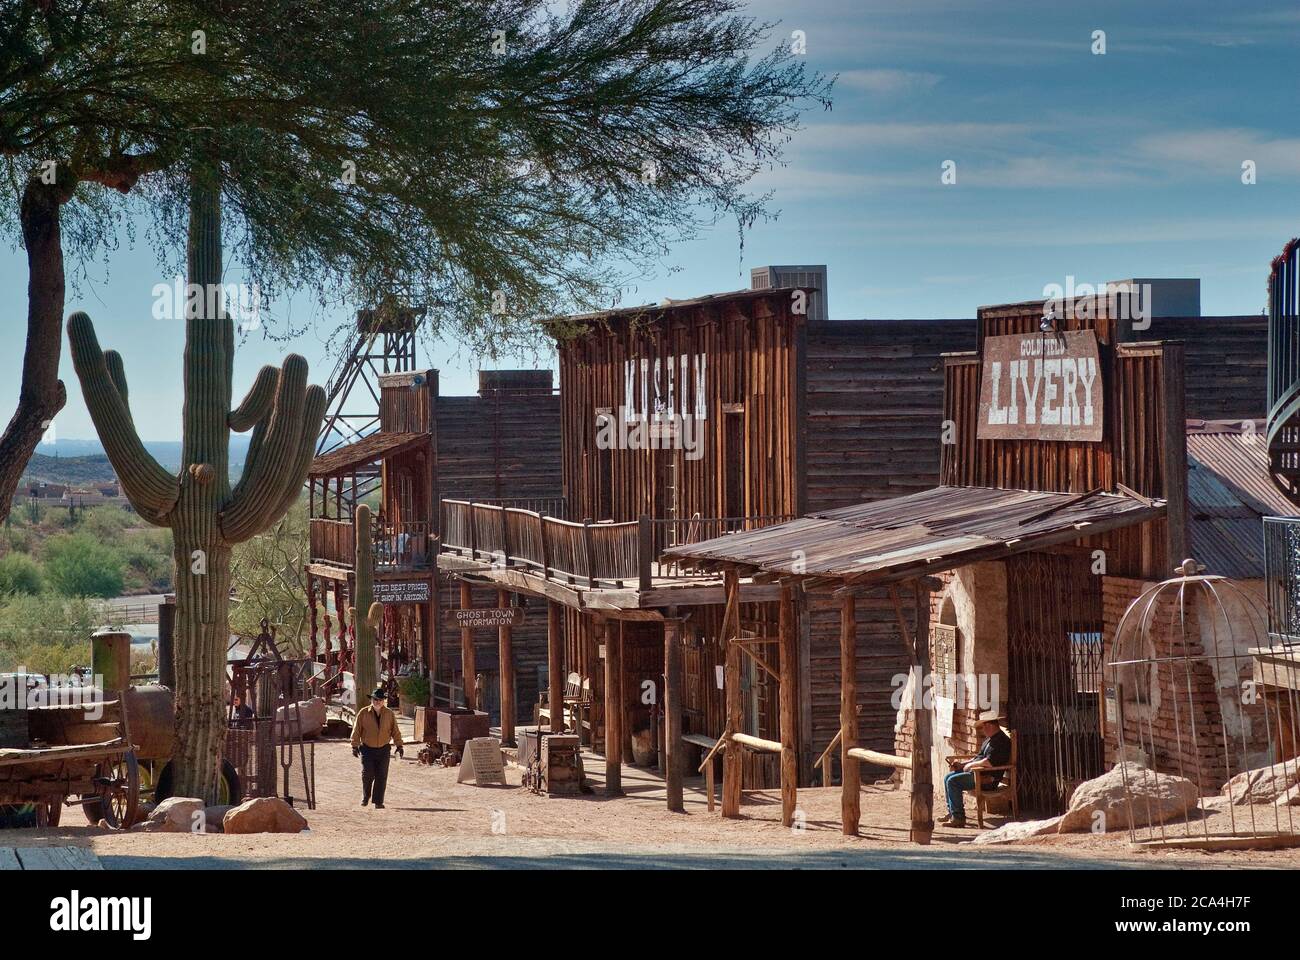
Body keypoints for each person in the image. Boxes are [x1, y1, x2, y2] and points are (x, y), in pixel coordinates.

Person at [939, 710, 1012, 828]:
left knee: (953, 782)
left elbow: (988, 762)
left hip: (987, 779)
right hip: (978, 773)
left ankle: (958, 818)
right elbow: (978, 757)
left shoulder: (1001, 741)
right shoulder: (990, 740)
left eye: (984, 727)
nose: (983, 730)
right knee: (948, 777)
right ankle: (952, 812)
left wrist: (970, 766)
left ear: (989, 725)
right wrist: (963, 765)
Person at [350, 687, 404, 808]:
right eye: (375, 699)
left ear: (383, 701)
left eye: (380, 700)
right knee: (367, 773)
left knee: (381, 775)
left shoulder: (389, 713)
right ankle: (365, 797)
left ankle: (378, 802)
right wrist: (354, 745)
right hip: (367, 748)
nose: (377, 702)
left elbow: (395, 730)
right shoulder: (363, 713)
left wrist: (399, 745)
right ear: (372, 700)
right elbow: (357, 730)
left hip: (384, 748)